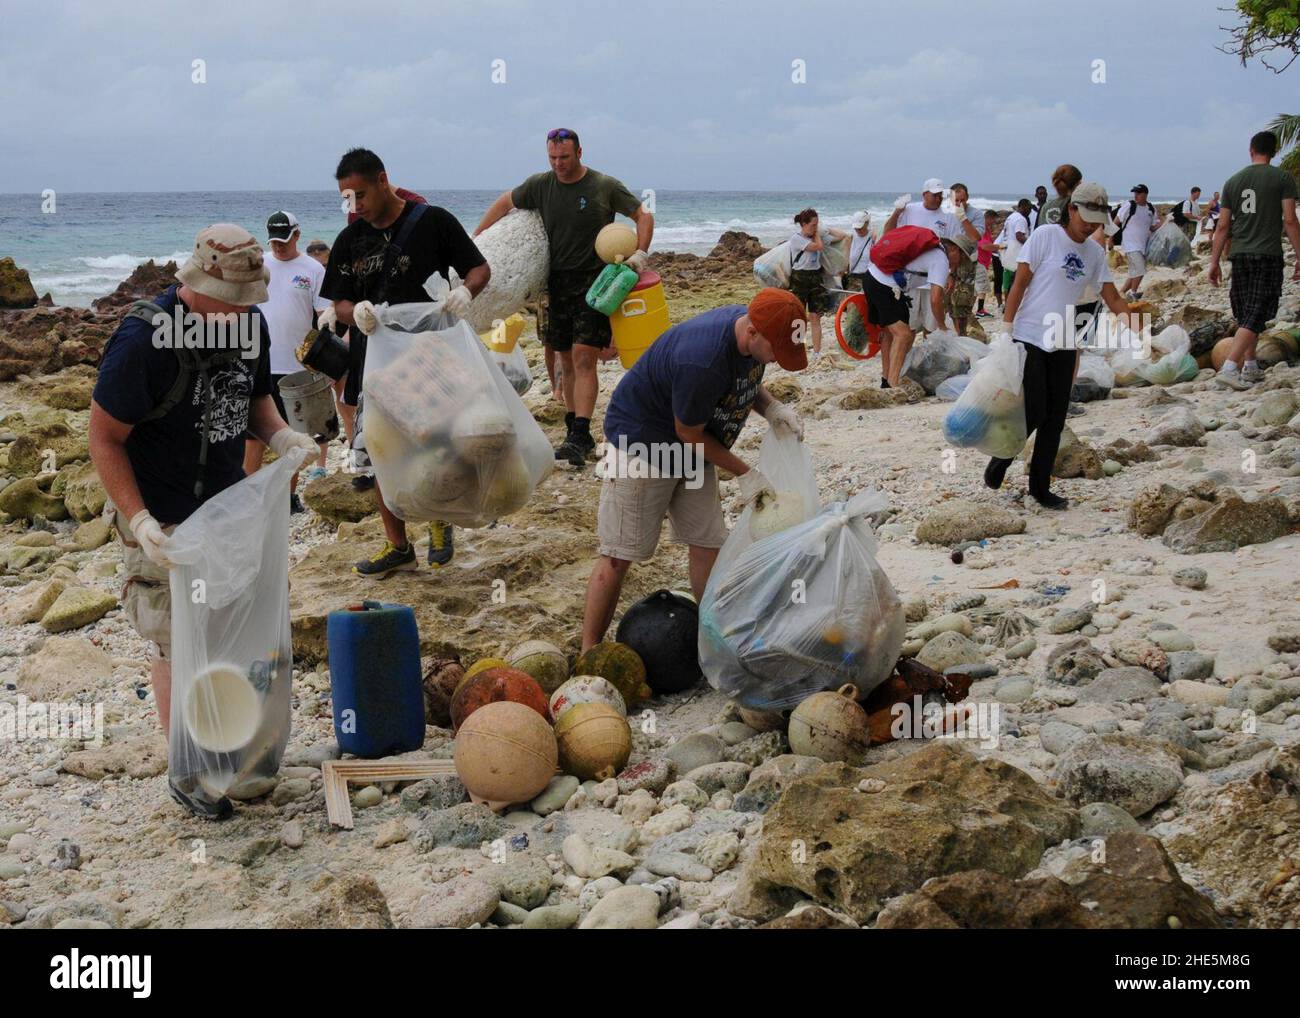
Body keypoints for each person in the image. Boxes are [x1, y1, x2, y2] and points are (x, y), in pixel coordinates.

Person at [88, 224, 320, 819]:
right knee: (174, 640)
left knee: (225, 630)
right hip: (161, 516)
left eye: (249, 303)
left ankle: (230, 748)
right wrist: (138, 520)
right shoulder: (142, 341)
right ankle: (188, 768)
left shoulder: (247, 324)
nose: (242, 313)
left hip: (223, 509)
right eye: (231, 303)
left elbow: (255, 399)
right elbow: (105, 437)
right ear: (194, 286)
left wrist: (282, 434)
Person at [581, 289, 809, 651]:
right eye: (777, 351)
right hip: (643, 444)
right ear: (752, 332)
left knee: (708, 542)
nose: (778, 360)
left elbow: (745, 380)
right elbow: (688, 432)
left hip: (696, 443)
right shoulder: (701, 359)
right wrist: (745, 473)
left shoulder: (752, 324)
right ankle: (589, 648)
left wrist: (772, 408)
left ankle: (711, 637)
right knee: (620, 553)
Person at [321, 147, 491, 576]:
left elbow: (479, 269)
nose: (355, 206)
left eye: (360, 194)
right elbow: (338, 301)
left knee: (434, 442)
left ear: (383, 180)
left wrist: (466, 293)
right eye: (346, 199)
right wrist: (354, 312)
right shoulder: (349, 239)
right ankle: (397, 544)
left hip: (431, 356)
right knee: (380, 449)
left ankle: (438, 521)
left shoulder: (432, 222)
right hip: (373, 361)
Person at [476, 129, 654, 467]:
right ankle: (575, 427)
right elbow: (504, 202)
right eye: (553, 158)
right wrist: (478, 238)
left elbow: (643, 215)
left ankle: (581, 431)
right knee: (565, 361)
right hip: (556, 284)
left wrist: (640, 254)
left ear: (579, 153)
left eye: (565, 158)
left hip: (596, 284)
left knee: (585, 356)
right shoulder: (541, 185)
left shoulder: (603, 186)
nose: (559, 164)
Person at [983, 183, 1137, 510]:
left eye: (1097, 221)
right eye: (1086, 218)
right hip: (1029, 335)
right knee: (1035, 409)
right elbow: (1020, 282)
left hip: (1065, 338)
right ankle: (1002, 457)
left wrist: (1132, 323)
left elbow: (1110, 295)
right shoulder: (1045, 237)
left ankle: (1040, 488)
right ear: (1071, 209)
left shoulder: (1095, 253)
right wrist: (1007, 328)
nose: (1091, 226)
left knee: (1055, 416)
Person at [243, 211, 331, 510]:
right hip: (258, 363)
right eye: (274, 241)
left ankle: (289, 497)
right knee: (252, 436)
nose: (279, 247)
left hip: (296, 367)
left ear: (297, 235)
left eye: (284, 240)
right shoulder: (260, 264)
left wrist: (327, 358)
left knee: (294, 436)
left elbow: (323, 316)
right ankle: (245, 496)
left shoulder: (313, 269)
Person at [1209, 130, 1300, 389]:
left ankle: (1250, 366)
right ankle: (1230, 367)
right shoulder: (1282, 178)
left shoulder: (1233, 181)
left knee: (1247, 310)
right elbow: (1290, 220)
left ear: (1251, 150)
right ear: (1275, 152)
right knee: (1258, 311)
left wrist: (1214, 262)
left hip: (1239, 255)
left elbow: (1223, 227)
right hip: (1267, 254)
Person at [861, 228, 977, 387]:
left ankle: (886, 380)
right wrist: (942, 327)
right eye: (963, 259)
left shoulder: (935, 251)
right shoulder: (941, 259)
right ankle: (893, 385)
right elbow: (936, 299)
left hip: (873, 276)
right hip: (884, 285)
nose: (960, 264)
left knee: (891, 334)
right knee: (904, 335)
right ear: (955, 250)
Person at [882, 178, 980, 335]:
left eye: (940, 195)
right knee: (909, 326)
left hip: (935, 277)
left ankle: (929, 356)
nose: (938, 198)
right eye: (934, 195)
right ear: (924, 194)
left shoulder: (948, 217)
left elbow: (954, 249)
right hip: (909, 278)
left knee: (931, 327)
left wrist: (951, 274)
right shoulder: (910, 210)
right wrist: (896, 212)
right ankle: (908, 357)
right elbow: (888, 233)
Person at [305, 238, 356, 449]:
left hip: (342, 344)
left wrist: (348, 340)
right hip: (315, 347)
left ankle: (355, 444)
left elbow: (356, 309)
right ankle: (322, 461)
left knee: (346, 400)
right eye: (316, 265)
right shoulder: (308, 280)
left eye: (325, 265)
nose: (322, 270)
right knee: (322, 401)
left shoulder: (342, 278)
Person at [787, 208, 846, 355]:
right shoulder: (796, 239)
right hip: (799, 279)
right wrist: (818, 235)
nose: (815, 228)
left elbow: (842, 235)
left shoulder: (817, 236)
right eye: (813, 225)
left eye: (817, 224)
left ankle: (817, 351)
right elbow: (817, 247)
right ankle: (797, 350)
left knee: (815, 316)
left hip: (816, 279)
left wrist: (825, 229)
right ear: (803, 224)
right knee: (799, 316)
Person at [947, 183, 985, 335]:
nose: (959, 203)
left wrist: (963, 218)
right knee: (947, 303)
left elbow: (975, 237)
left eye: (962, 200)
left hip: (967, 263)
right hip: (948, 261)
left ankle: (963, 337)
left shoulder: (976, 214)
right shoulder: (945, 213)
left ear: (967, 198)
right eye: (956, 200)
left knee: (962, 305)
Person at [1113, 184, 1161, 299]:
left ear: (1145, 194)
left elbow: (1152, 227)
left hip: (1144, 246)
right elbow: (1116, 222)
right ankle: (1133, 293)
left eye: (1138, 193)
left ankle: (1121, 293)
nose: (1136, 195)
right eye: (1135, 193)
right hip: (1130, 245)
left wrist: (1165, 223)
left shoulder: (1151, 208)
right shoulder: (1129, 205)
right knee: (1140, 270)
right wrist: (1111, 239)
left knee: (1134, 273)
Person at [996, 199, 1033, 294]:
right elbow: (1019, 236)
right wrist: (1032, 243)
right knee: (1017, 283)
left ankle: (1007, 305)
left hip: (1007, 253)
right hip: (1016, 255)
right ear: (1023, 207)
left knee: (1008, 283)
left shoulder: (1011, 217)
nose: (1029, 212)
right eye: (1028, 209)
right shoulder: (1021, 219)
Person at [975, 210, 999, 316]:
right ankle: (980, 311)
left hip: (983, 262)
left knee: (977, 288)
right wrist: (1000, 247)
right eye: (993, 220)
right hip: (979, 261)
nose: (994, 223)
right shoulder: (982, 229)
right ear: (988, 218)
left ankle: (977, 310)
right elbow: (984, 246)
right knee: (982, 286)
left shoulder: (987, 230)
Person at [845, 210, 874, 290]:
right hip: (854, 279)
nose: (858, 230)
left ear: (867, 223)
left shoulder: (873, 237)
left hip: (869, 278)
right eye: (856, 228)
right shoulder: (851, 237)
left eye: (860, 227)